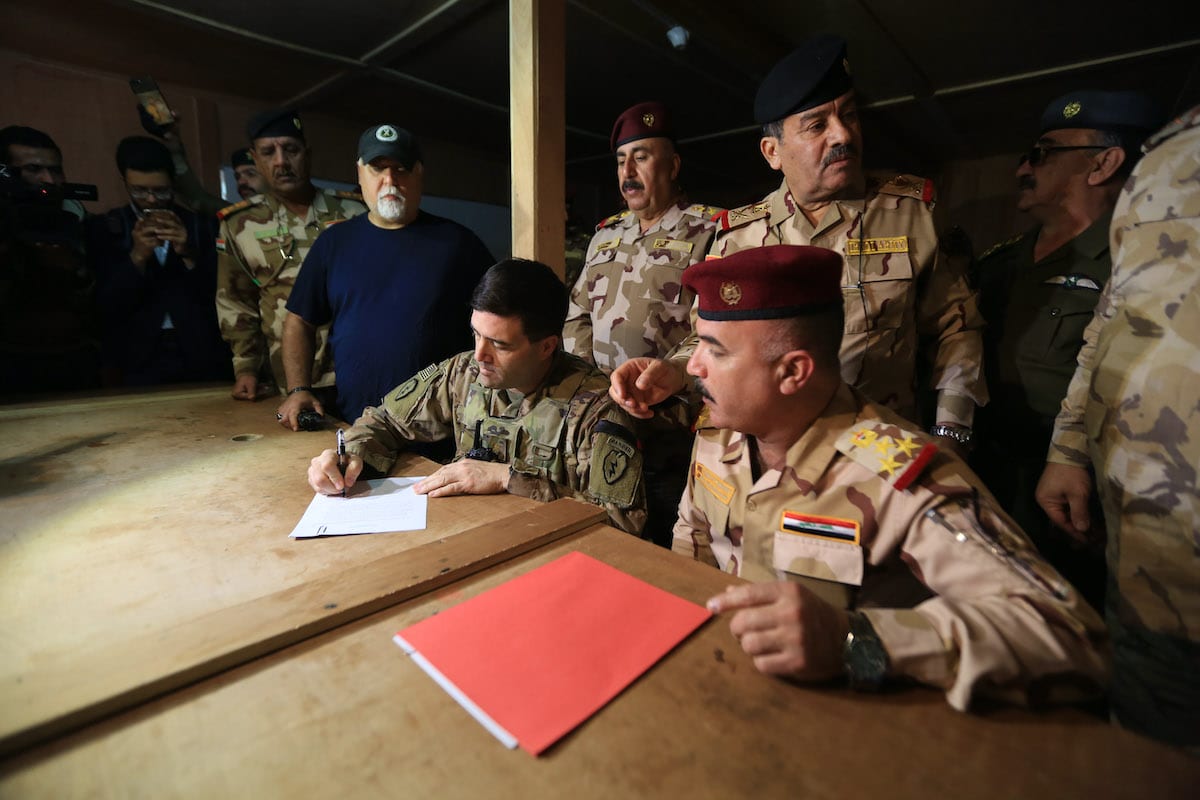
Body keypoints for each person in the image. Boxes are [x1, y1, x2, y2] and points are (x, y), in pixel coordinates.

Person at [676, 244, 1106, 709]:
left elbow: (1071, 635)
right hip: (720, 692)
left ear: (793, 372)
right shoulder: (720, 437)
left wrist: (857, 641)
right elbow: (690, 544)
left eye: (714, 351)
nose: (691, 366)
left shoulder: (903, 478)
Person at [610, 35, 985, 453]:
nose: (843, 134)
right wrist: (675, 372)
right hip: (772, 459)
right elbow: (708, 339)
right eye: (817, 124)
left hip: (880, 455)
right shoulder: (740, 235)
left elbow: (957, 331)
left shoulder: (912, 215)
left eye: (849, 115)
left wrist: (951, 431)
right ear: (773, 151)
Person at [1036, 105, 1200, 749]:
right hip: (1145, 532)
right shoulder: (1168, 152)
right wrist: (1071, 446)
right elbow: (1114, 318)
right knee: (1148, 747)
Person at [972, 90, 1163, 611]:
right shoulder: (998, 263)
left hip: (1071, 491)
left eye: (1042, 153)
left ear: (1103, 163)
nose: (1021, 170)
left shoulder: (1140, 264)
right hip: (983, 472)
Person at [307, 258, 647, 535]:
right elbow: (386, 420)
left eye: (499, 344)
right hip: (466, 536)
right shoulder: (463, 373)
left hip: (549, 559)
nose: (479, 354)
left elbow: (624, 521)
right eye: (476, 335)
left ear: (546, 347)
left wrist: (507, 479)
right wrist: (351, 453)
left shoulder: (596, 408)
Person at [562, 101, 719, 547]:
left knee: (670, 545)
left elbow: (712, 327)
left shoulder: (709, 231)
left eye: (642, 157)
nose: (628, 171)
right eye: (620, 160)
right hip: (603, 427)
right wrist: (587, 390)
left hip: (673, 430)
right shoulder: (605, 235)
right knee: (604, 542)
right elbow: (578, 315)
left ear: (673, 165)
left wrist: (669, 377)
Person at [279, 124, 493, 428]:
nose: (389, 181)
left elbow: (500, 321)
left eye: (401, 169)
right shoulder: (334, 243)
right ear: (359, 173)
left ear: (419, 173)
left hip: (441, 428)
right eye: (377, 169)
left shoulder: (459, 245)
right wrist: (299, 389)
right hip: (356, 424)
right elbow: (299, 320)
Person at [214, 109, 367, 403]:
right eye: (268, 152)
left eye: (291, 150)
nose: (281, 161)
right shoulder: (239, 225)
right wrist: (245, 368)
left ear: (306, 154)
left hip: (356, 366)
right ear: (255, 159)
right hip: (291, 375)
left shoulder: (354, 212)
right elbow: (235, 301)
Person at [85, 136, 230, 386]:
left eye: (161, 190)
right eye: (140, 190)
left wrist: (188, 254)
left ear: (173, 183)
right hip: (134, 356)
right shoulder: (105, 227)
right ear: (125, 183)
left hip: (200, 352)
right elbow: (104, 306)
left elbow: (222, 295)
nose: (151, 199)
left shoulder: (202, 225)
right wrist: (137, 257)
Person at [0, 125, 98, 394]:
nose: (50, 180)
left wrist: (74, 269)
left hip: (73, 353)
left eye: (56, 170)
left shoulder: (75, 216)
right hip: (9, 358)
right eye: (34, 169)